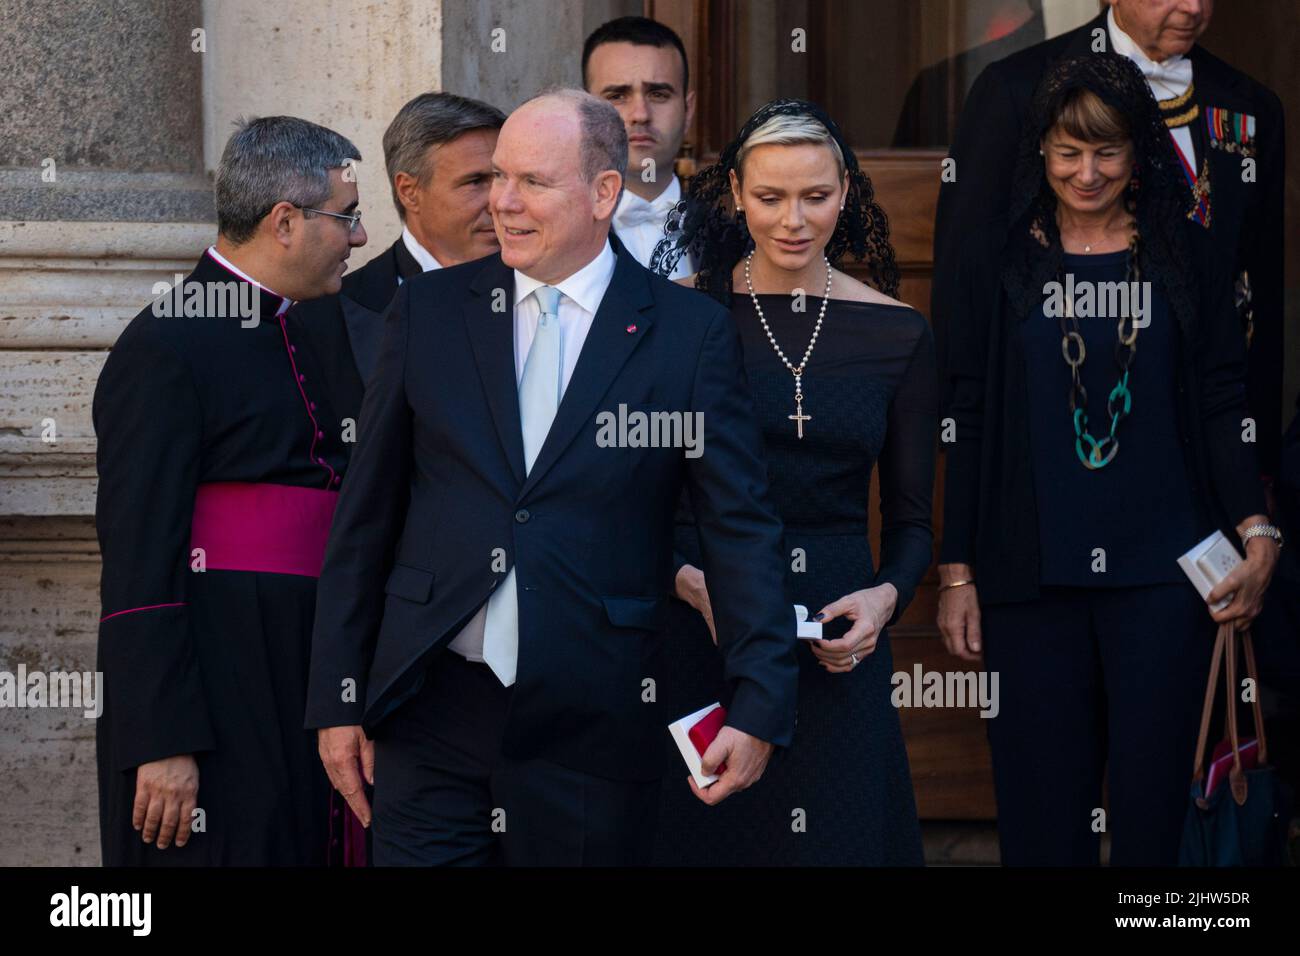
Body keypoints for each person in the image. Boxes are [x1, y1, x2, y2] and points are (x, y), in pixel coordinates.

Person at [305, 88, 799, 866]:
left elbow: (739, 526)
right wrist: (338, 695)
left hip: (594, 719)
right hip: (430, 706)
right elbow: (367, 515)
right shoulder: (429, 312)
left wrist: (761, 701)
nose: (502, 201)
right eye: (498, 178)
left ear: (604, 192)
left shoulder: (687, 333)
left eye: (532, 182)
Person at [936, 54, 1280, 866]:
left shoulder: (1186, 254)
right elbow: (968, 415)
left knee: (1153, 813)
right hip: (1030, 580)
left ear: (1140, 153)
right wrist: (957, 571)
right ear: (1040, 152)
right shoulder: (1002, 260)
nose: (1086, 173)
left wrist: (1257, 527)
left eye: (1108, 152)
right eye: (1067, 152)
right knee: (1041, 813)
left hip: (1166, 581)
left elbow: (1224, 401)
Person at [651, 98, 936, 865]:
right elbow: (623, 498)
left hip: (838, 636)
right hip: (702, 614)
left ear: (846, 191)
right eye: (770, 197)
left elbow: (912, 523)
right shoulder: (676, 317)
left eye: (815, 196)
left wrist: (885, 599)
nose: (793, 220)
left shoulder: (897, 331)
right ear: (736, 193)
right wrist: (687, 581)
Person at [93, 116, 368, 865]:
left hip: (309, 660)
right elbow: (137, 562)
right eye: (346, 216)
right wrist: (161, 740)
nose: (362, 235)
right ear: (285, 221)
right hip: (217, 679)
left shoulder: (318, 327)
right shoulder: (164, 344)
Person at [933, 0, 1285, 478]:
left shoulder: (1251, 105)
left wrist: (1259, 464)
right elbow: (965, 286)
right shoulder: (1015, 88)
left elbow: (1261, 287)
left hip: (1209, 438)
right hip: (1055, 431)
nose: (1194, 7)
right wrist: (963, 465)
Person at [297, 92, 505, 402]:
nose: (501, 200)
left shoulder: (550, 291)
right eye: (475, 182)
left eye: (502, 177)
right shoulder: (322, 319)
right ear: (409, 191)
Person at [583, 16, 696, 278]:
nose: (640, 114)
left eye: (658, 94)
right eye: (617, 96)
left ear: (688, 110)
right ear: (585, 112)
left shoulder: (739, 239)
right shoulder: (555, 234)